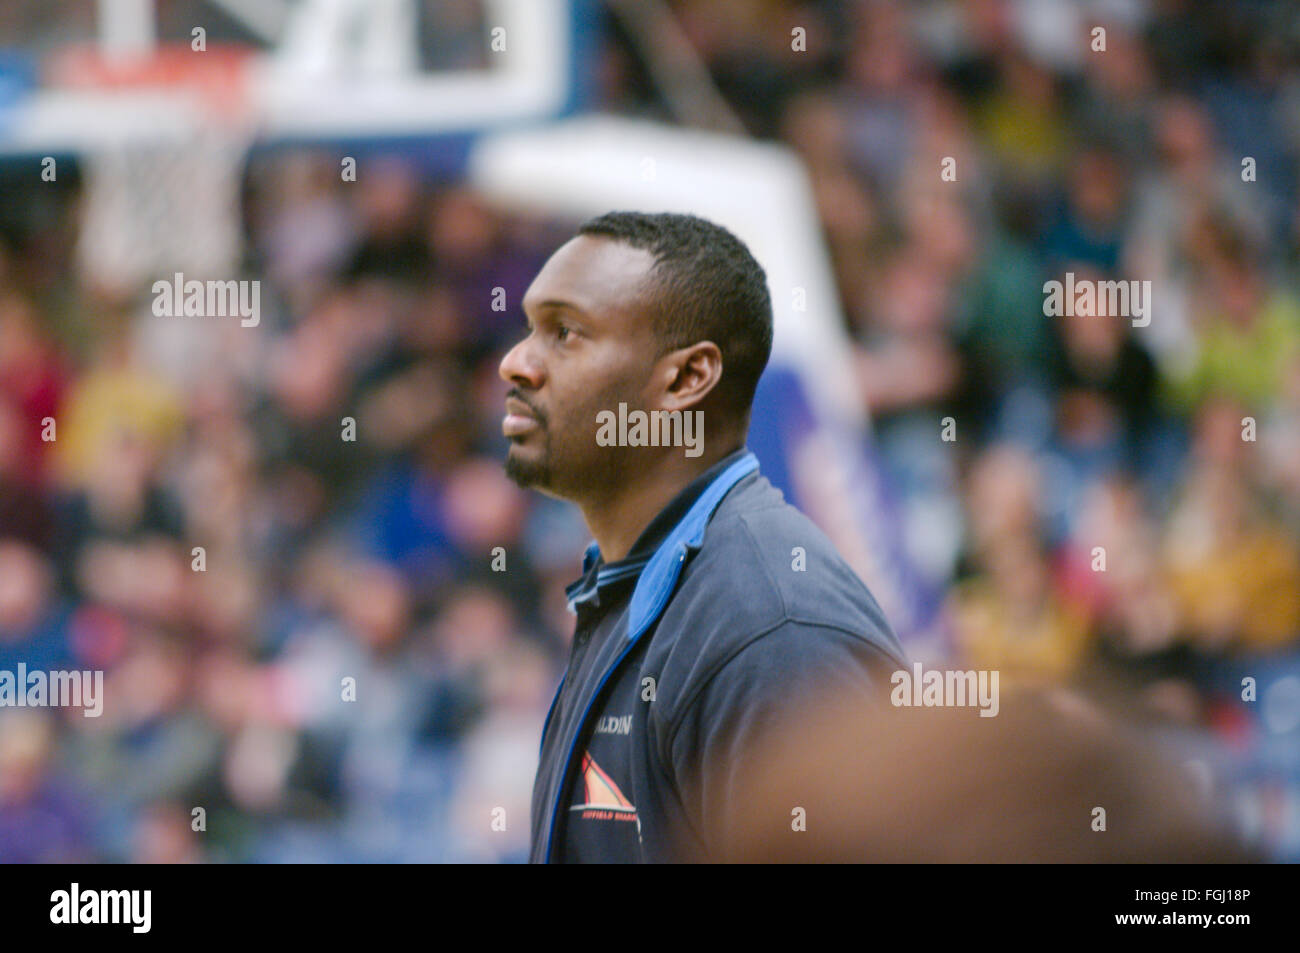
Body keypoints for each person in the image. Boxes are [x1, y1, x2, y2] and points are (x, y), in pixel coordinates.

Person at [498, 210, 906, 863]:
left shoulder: (775, 629)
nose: (515, 363)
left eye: (565, 332)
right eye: (528, 328)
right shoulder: (643, 583)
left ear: (687, 380)